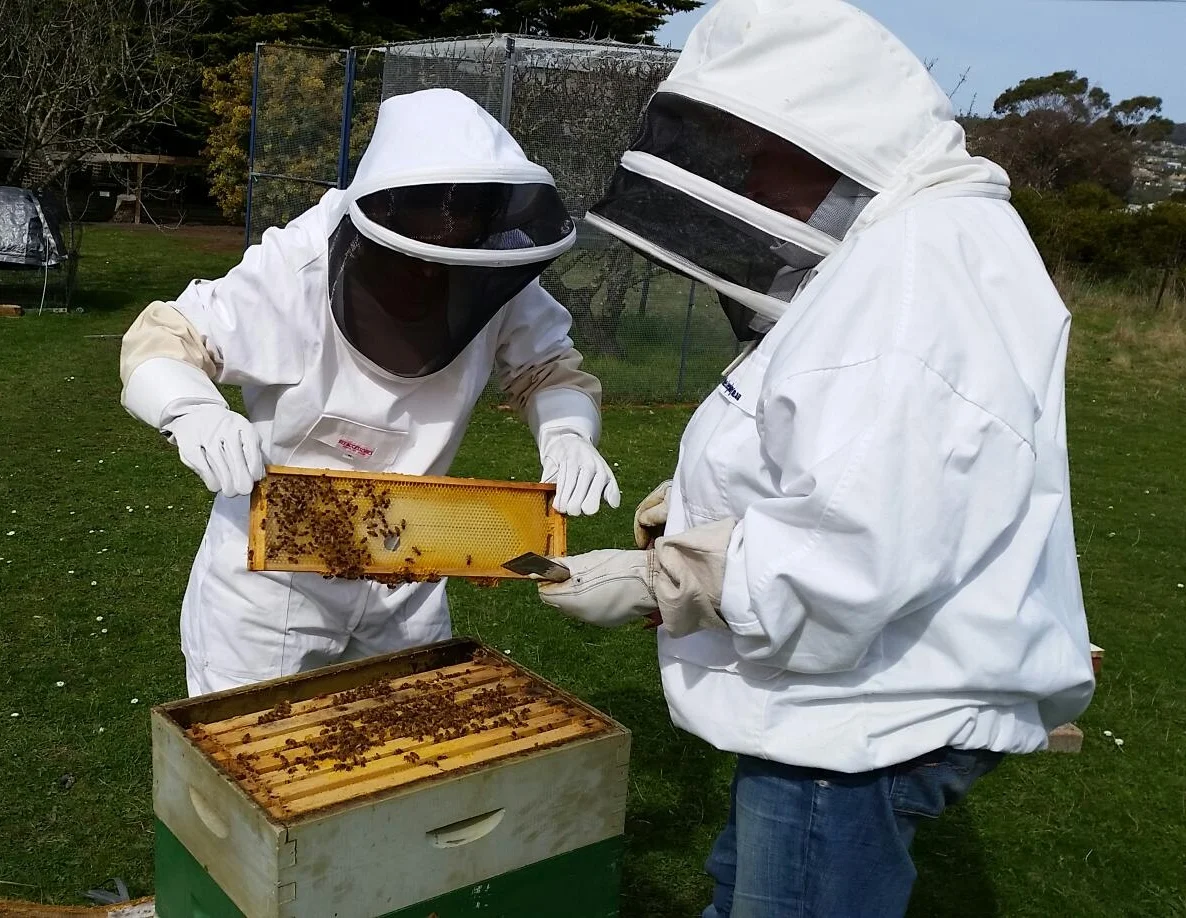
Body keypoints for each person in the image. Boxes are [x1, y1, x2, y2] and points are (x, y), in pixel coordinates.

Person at [536, 1, 1096, 915]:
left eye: (756, 150)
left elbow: (853, 551)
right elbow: (852, 456)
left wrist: (664, 577)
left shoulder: (914, 277)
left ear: (826, 135)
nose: (748, 177)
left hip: (857, 728)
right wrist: (687, 513)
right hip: (851, 710)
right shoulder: (908, 250)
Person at [120, 88, 620, 697]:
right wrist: (192, 410)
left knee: (410, 755)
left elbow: (549, 369)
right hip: (271, 572)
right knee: (251, 760)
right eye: (419, 257)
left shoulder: (489, 270)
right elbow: (163, 337)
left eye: (455, 252)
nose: (435, 274)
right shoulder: (298, 262)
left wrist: (567, 431)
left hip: (408, 568)